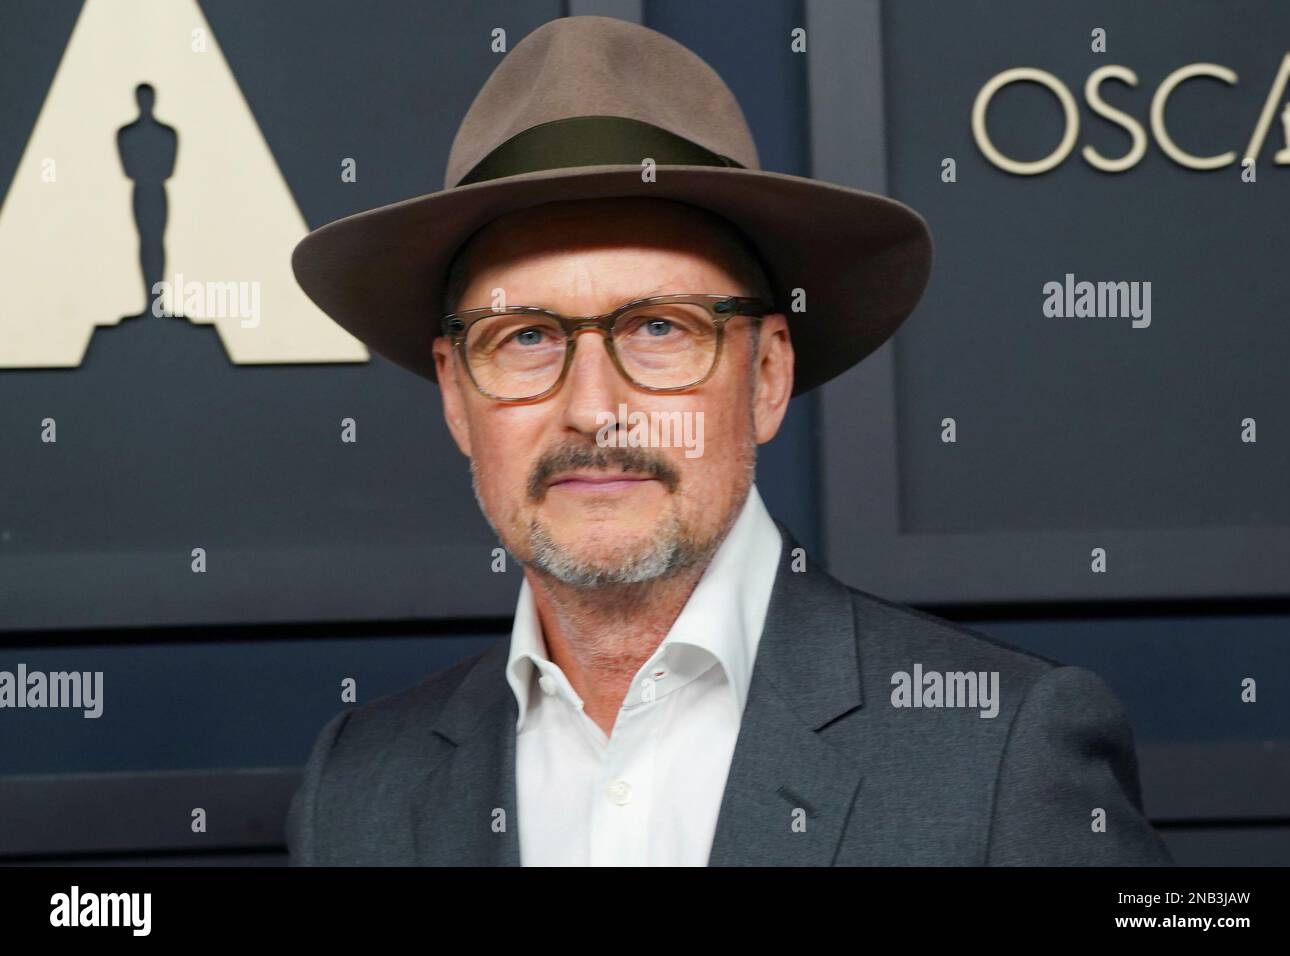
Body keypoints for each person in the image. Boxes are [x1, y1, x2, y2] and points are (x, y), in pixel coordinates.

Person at [286, 16, 1171, 866]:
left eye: (661, 330)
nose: (594, 410)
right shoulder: (358, 788)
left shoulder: (1004, 747)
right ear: (454, 391)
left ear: (766, 376)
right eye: (525, 338)